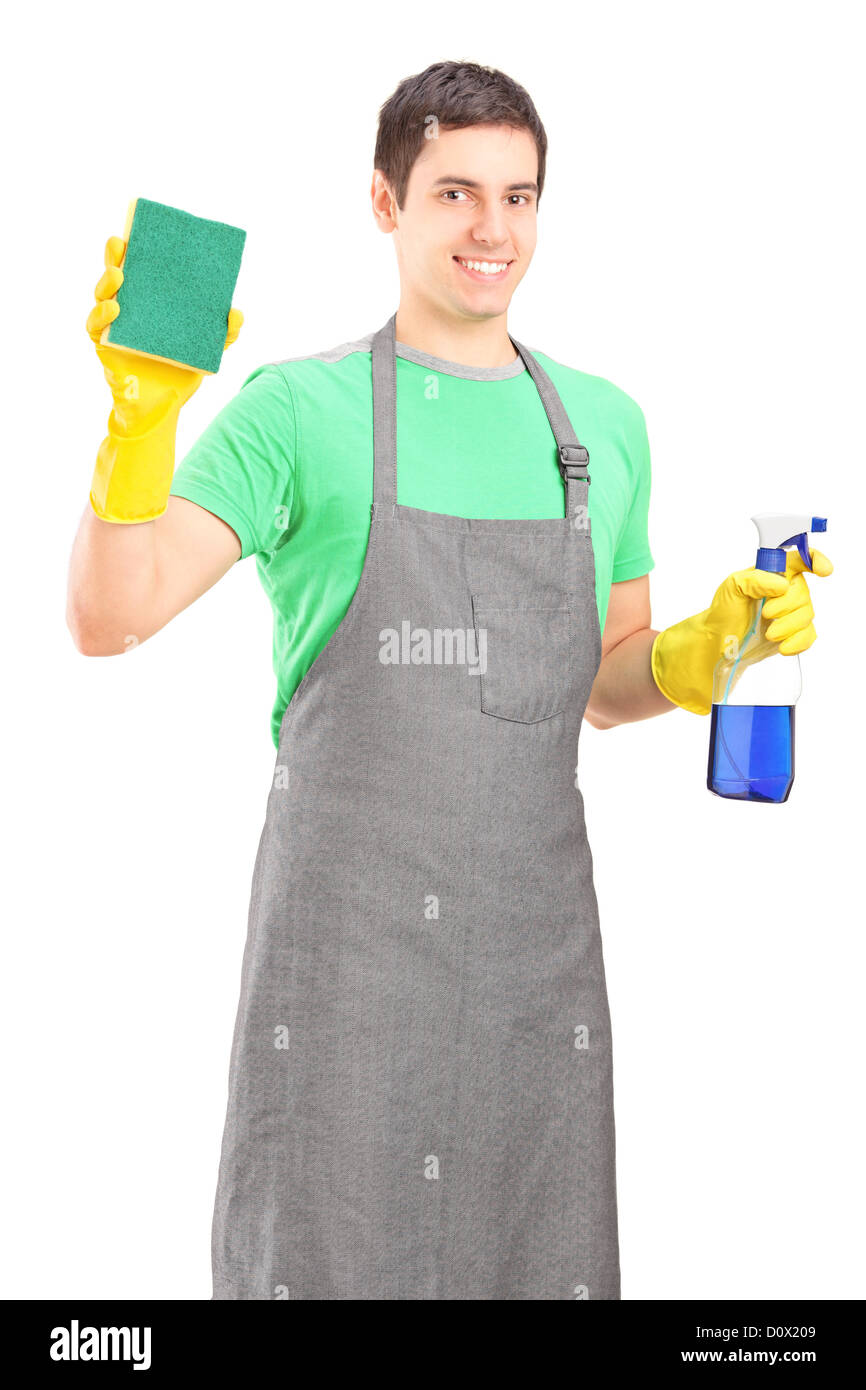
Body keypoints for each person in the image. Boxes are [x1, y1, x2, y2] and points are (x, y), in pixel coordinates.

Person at [67, 60, 831, 1301]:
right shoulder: (297, 410)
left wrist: (705, 651)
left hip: (536, 972)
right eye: (455, 193)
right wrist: (138, 425)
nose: (492, 230)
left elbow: (605, 679)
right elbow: (110, 615)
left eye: (519, 197)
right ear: (384, 202)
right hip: (345, 972)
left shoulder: (600, 426)